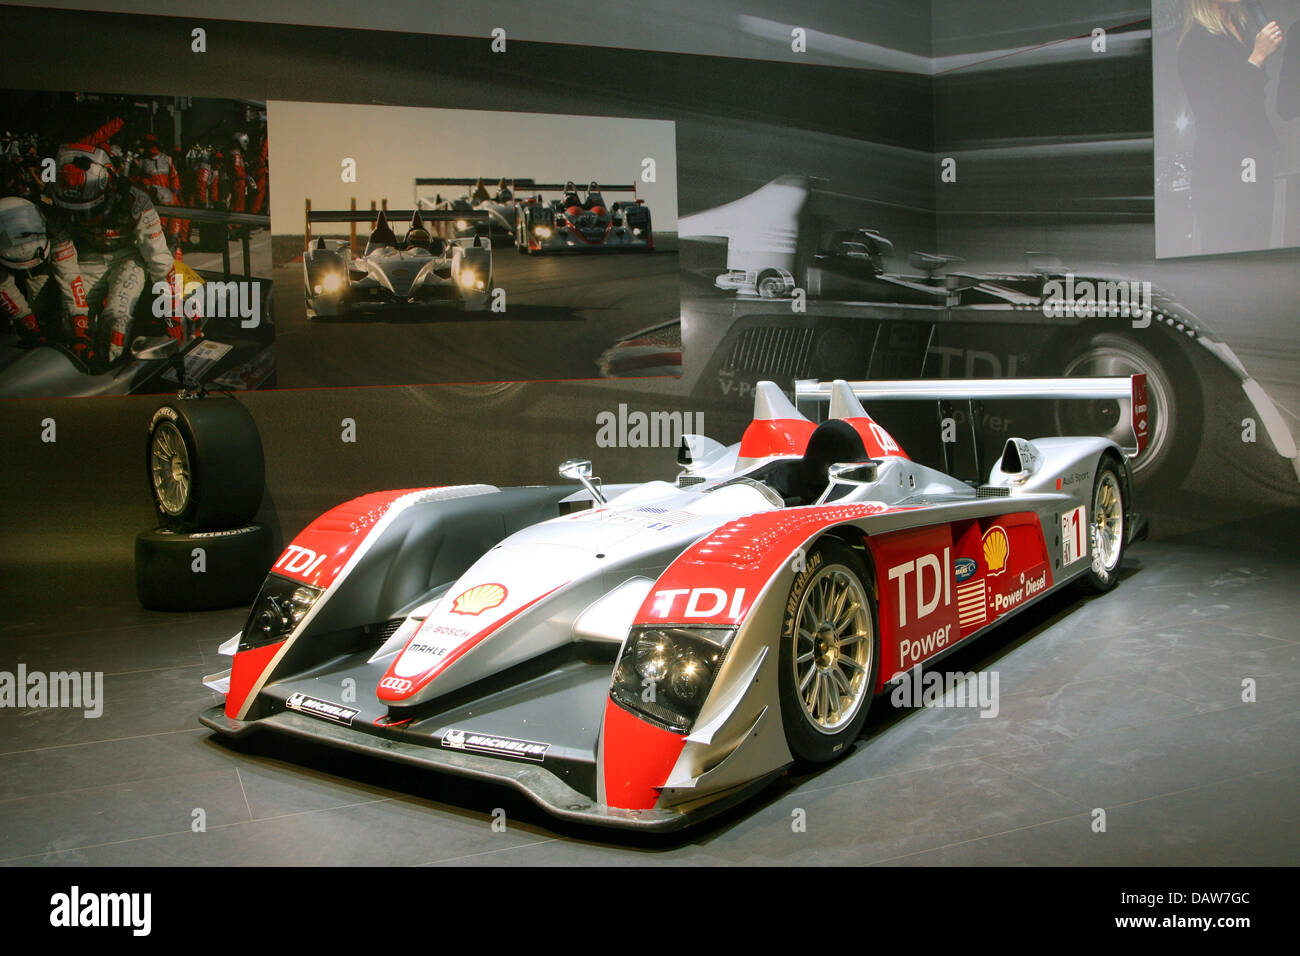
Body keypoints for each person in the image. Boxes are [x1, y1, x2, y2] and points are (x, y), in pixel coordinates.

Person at [50, 141, 184, 366]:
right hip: (88, 257)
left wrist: (172, 310)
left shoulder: (135, 201)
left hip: (127, 256)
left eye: (91, 209)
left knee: (118, 317)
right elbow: (65, 263)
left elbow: (158, 259)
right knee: (72, 324)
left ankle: (112, 371)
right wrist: (78, 320)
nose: (86, 217)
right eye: (78, 210)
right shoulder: (58, 204)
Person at [1177, 0, 1286, 252]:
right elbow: (1219, 111)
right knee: (1233, 258)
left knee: (1259, 250)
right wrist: (1257, 56)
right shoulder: (1195, 43)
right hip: (1223, 170)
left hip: (1253, 157)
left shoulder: (1238, 27)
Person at [0, 197, 94, 360]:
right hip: (10, 270)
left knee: (47, 307)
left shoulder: (56, 233)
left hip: (47, 266)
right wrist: (29, 325)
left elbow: (70, 277)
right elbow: (3, 287)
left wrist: (80, 331)